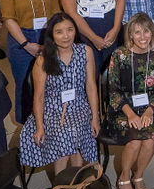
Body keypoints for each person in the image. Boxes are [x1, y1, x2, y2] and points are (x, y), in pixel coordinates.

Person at [20, 11, 100, 179]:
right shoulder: (43, 59)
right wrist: (40, 126)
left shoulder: (85, 52)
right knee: (66, 132)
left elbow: (91, 86)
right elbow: (39, 97)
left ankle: (76, 180)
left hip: (79, 105)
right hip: (52, 108)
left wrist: (95, 117)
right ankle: (61, 184)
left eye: (70, 30)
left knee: (77, 129)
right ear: (52, 35)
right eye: (59, 32)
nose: (66, 36)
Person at [103, 13, 154, 189]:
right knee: (135, 141)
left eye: (147, 31)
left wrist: (150, 110)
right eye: (137, 32)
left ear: (152, 32)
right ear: (130, 35)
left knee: (150, 140)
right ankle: (124, 177)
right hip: (123, 109)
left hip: (152, 107)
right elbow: (114, 91)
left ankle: (138, 176)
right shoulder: (119, 56)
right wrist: (131, 114)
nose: (143, 36)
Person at [0, 0, 59, 121]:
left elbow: (56, 14)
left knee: (49, 85)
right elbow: (9, 19)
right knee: (25, 87)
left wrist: (49, 43)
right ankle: (25, 130)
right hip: (21, 40)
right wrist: (27, 44)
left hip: (48, 38)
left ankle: (47, 126)